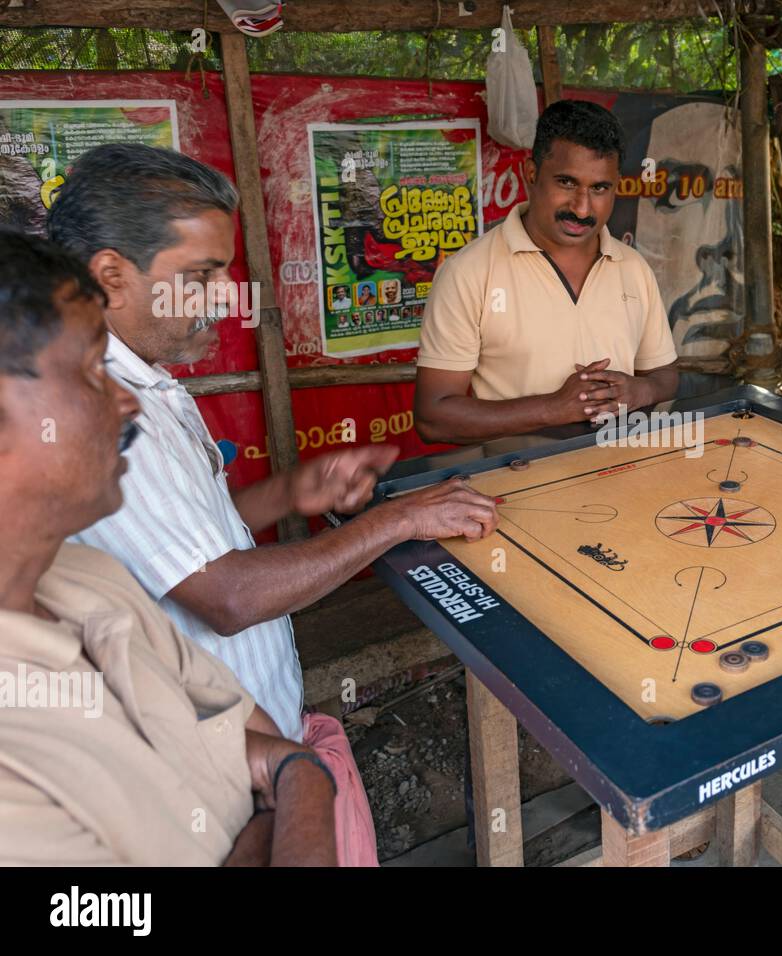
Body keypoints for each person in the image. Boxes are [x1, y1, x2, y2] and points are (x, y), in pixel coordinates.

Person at [47, 143, 500, 865]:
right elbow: (224, 595)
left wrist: (289, 492)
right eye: (199, 276)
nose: (226, 295)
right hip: (214, 778)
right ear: (111, 275)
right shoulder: (101, 413)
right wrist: (400, 519)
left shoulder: (148, 383)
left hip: (247, 738)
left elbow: (191, 542)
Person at [0, 231, 335, 865]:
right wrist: (293, 791)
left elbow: (277, 751)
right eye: (90, 372)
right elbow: (276, 765)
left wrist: (299, 779)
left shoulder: (89, 580)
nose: (125, 399)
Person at [414, 99, 679, 444]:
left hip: (622, 475)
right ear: (532, 174)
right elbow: (433, 417)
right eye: (567, 183)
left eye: (599, 188)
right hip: (519, 486)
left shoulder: (633, 267)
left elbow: (664, 374)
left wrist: (638, 391)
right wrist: (554, 409)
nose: (582, 207)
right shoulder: (467, 273)